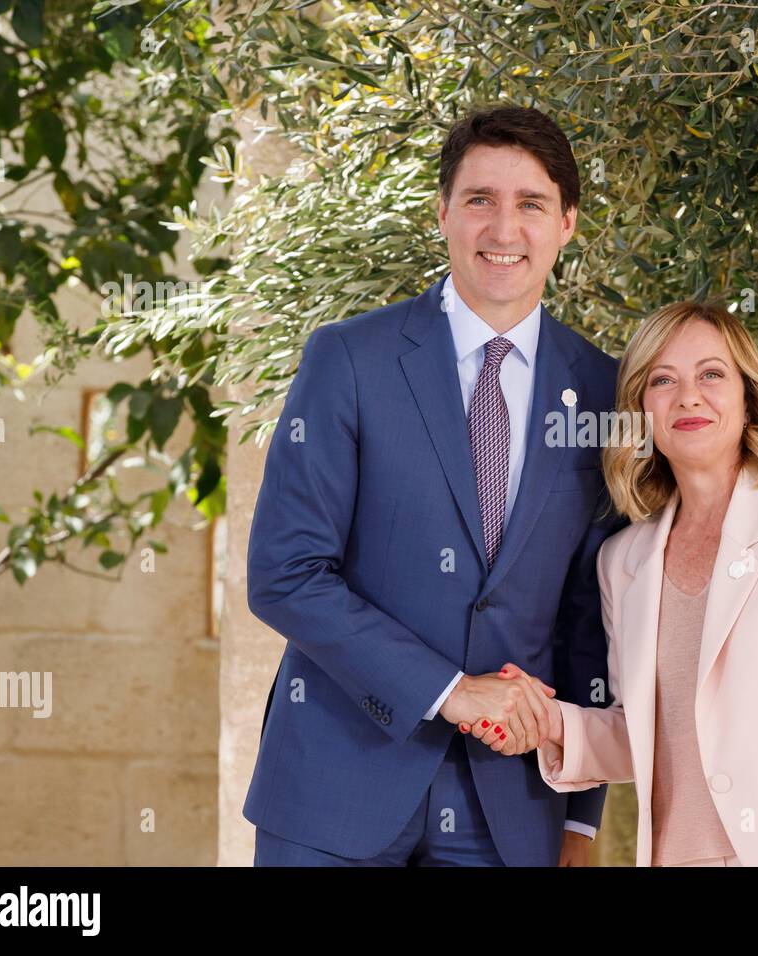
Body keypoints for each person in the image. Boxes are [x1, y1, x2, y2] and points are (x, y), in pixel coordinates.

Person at [244, 105, 621, 866]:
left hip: (510, 808)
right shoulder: (349, 360)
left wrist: (581, 816)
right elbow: (284, 573)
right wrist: (451, 689)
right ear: (443, 212)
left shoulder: (605, 393)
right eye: (480, 199)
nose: (503, 229)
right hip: (335, 787)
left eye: (531, 204)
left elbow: (593, 617)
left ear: (568, 224)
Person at [468, 300, 758, 866]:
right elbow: (640, 734)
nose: (688, 396)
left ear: (748, 396)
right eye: (663, 380)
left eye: (711, 374)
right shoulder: (623, 560)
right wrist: (549, 724)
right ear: (641, 410)